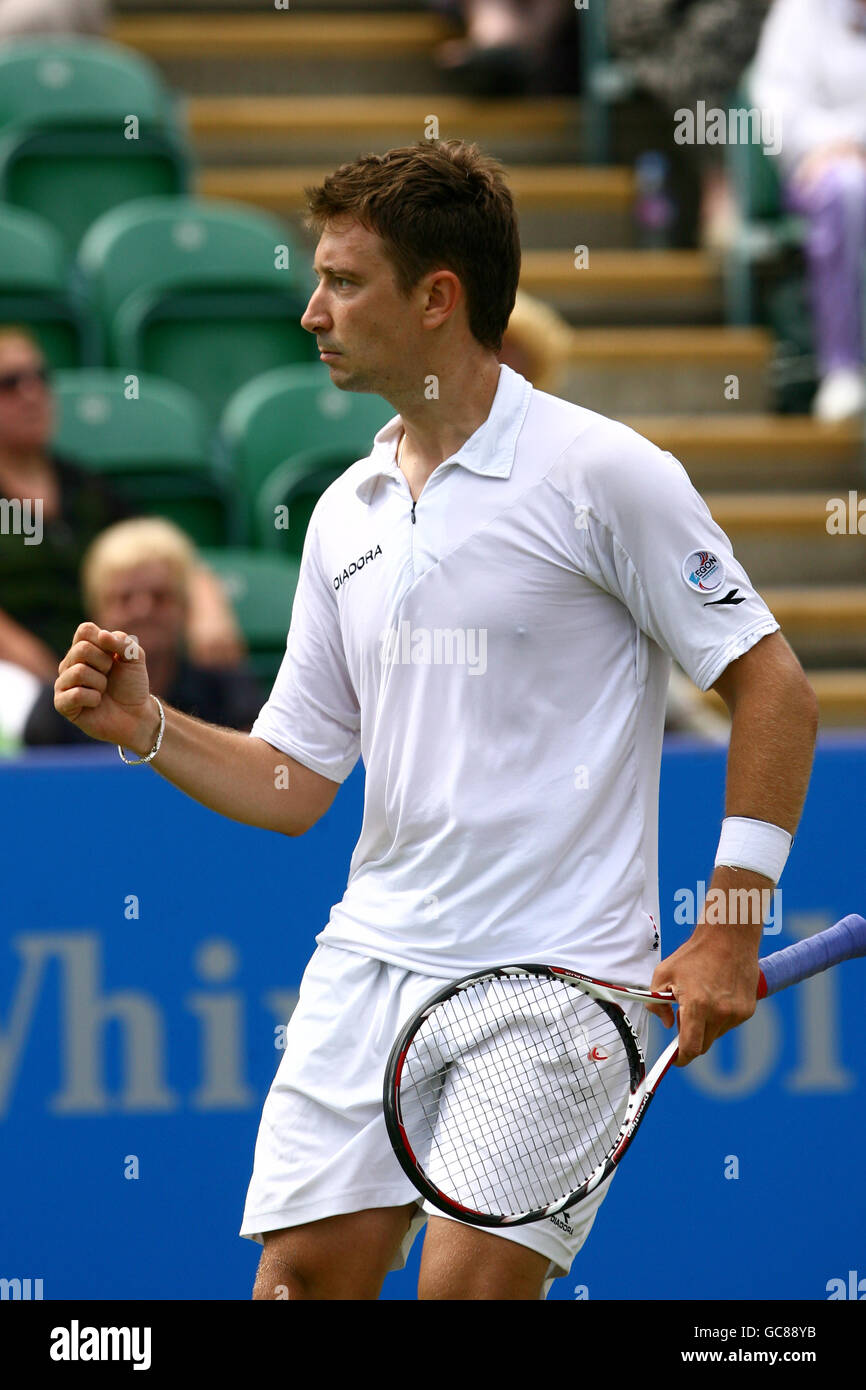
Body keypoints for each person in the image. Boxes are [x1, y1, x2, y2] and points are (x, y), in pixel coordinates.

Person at [53, 140, 818, 1301]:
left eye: (343, 282)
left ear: (436, 298)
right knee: (296, 1287)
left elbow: (773, 687)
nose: (312, 311)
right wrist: (148, 724)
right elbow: (295, 782)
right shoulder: (341, 512)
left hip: (554, 982)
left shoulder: (604, 473)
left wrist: (727, 925)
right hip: (370, 962)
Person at [0, 325, 246, 691]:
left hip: (102, 665)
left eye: (40, 377)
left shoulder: (82, 485)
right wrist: (38, 668)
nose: (32, 393)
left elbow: (158, 546)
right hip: (20, 679)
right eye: (10, 383)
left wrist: (208, 607)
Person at [24, 517, 263, 746]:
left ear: (184, 607)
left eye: (160, 596)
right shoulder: (64, 701)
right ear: (97, 609)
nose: (143, 610)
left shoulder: (228, 692)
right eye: (124, 599)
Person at [750, 0, 866, 422]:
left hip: (845, 151)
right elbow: (778, 108)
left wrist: (853, 139)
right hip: (820, 169)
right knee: (847, 187)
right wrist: (841, 148)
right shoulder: (799, 11)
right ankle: (842, 368)